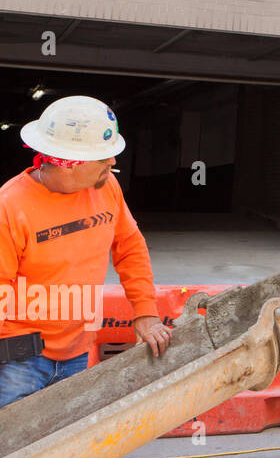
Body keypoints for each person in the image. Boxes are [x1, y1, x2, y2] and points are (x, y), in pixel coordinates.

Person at [0, 95, 169, 409]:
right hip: (20, 362)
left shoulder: (107, 188)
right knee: (12, 449)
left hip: (77, 351)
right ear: (67, 165)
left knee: (65, 446)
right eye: (102, 157)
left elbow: (130, 247)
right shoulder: (10, 206)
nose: (113, 163)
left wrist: (145, 313)